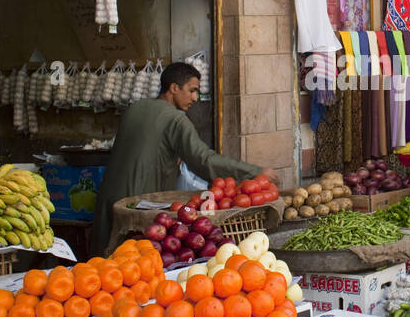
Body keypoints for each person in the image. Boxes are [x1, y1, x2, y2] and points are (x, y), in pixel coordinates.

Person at [91, 62, 275, 255]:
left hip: (109, 200)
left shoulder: (135, 108)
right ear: (174, 88)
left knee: (100, 267)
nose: (195, 98)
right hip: (139, 208)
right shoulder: (176, 120)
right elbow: (204, 160)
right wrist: (256, 172)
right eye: (192, 90)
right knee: (134, 269)